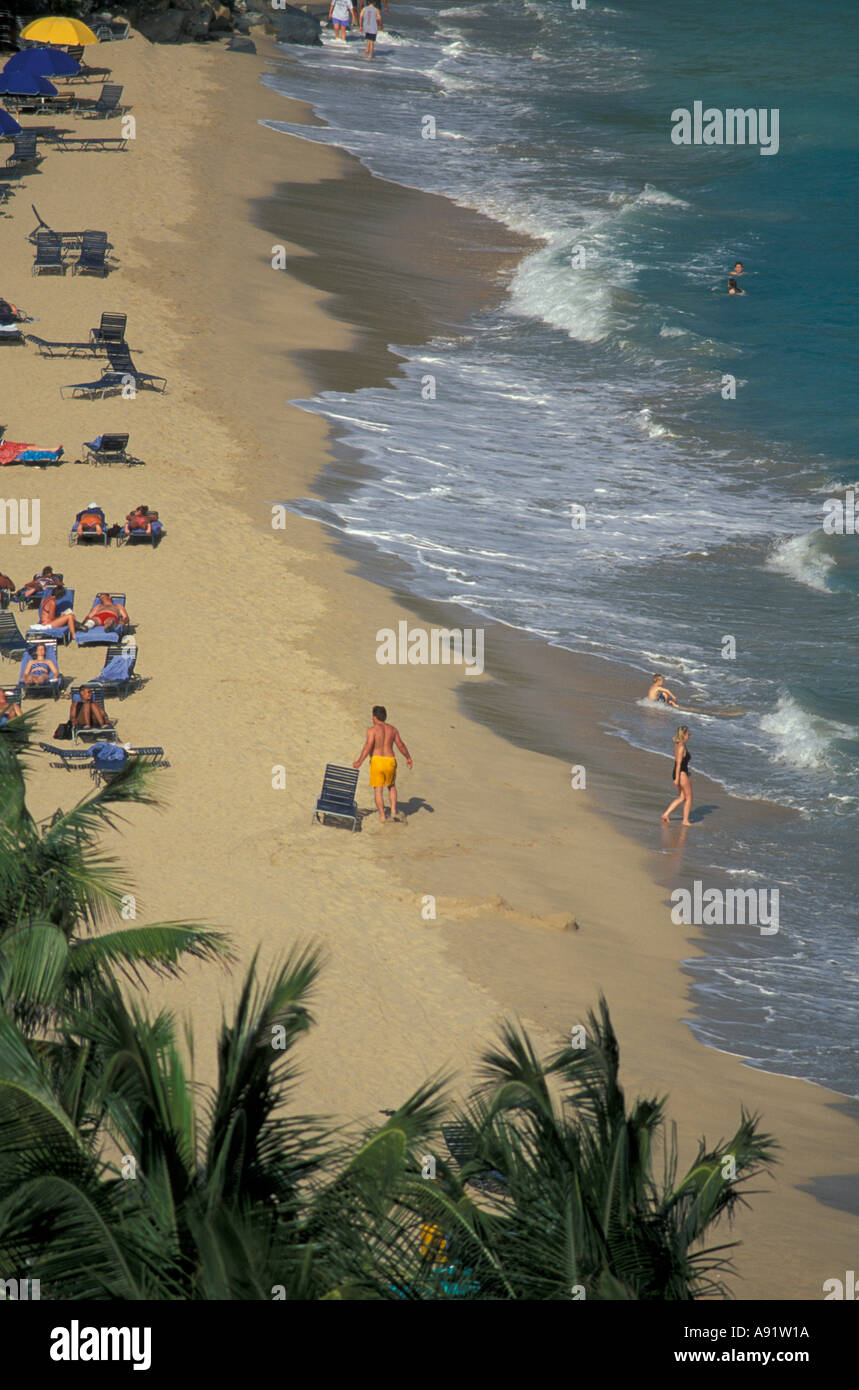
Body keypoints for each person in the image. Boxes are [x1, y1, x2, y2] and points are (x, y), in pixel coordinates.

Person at [353, 704, 413, 823]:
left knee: (378, 790)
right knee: (391, 786)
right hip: (390, 760)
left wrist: (360, 761)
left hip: (377, 760)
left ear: (374, 717)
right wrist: (408, 757)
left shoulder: (372, 730)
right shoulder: (392, 729)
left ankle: (382, 816)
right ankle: (394, 811)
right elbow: (400, 744)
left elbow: (368, 746)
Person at [662, 725, 693, 825]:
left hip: (681, 773)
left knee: (682, 797)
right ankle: (685, 820)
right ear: (684, 735)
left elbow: (681, 763)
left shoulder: (678, 744)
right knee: (689, 797)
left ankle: (666, 814)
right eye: (688, 734)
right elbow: (679, 763)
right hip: (680, 774)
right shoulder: (681, 747)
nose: (690, 736)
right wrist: (677, 778)